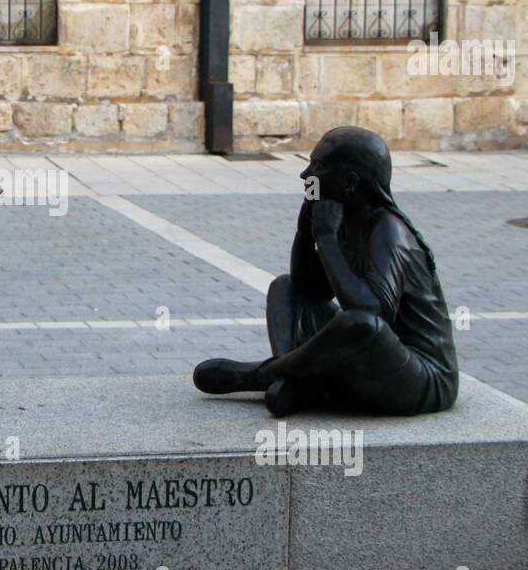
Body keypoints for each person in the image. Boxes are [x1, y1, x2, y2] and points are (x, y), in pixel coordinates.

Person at [193, 126, 458, 417]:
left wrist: (327, 238)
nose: (305, 176)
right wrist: (306, 229)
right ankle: (292, 379)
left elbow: (370, 313)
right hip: (370, 363)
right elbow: (309, 287)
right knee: (286, 287)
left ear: (349, 183)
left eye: (317, 167)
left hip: (422, 381)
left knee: (359, 324)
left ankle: (260, 375)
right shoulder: (343, 216)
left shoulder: (388, 230)